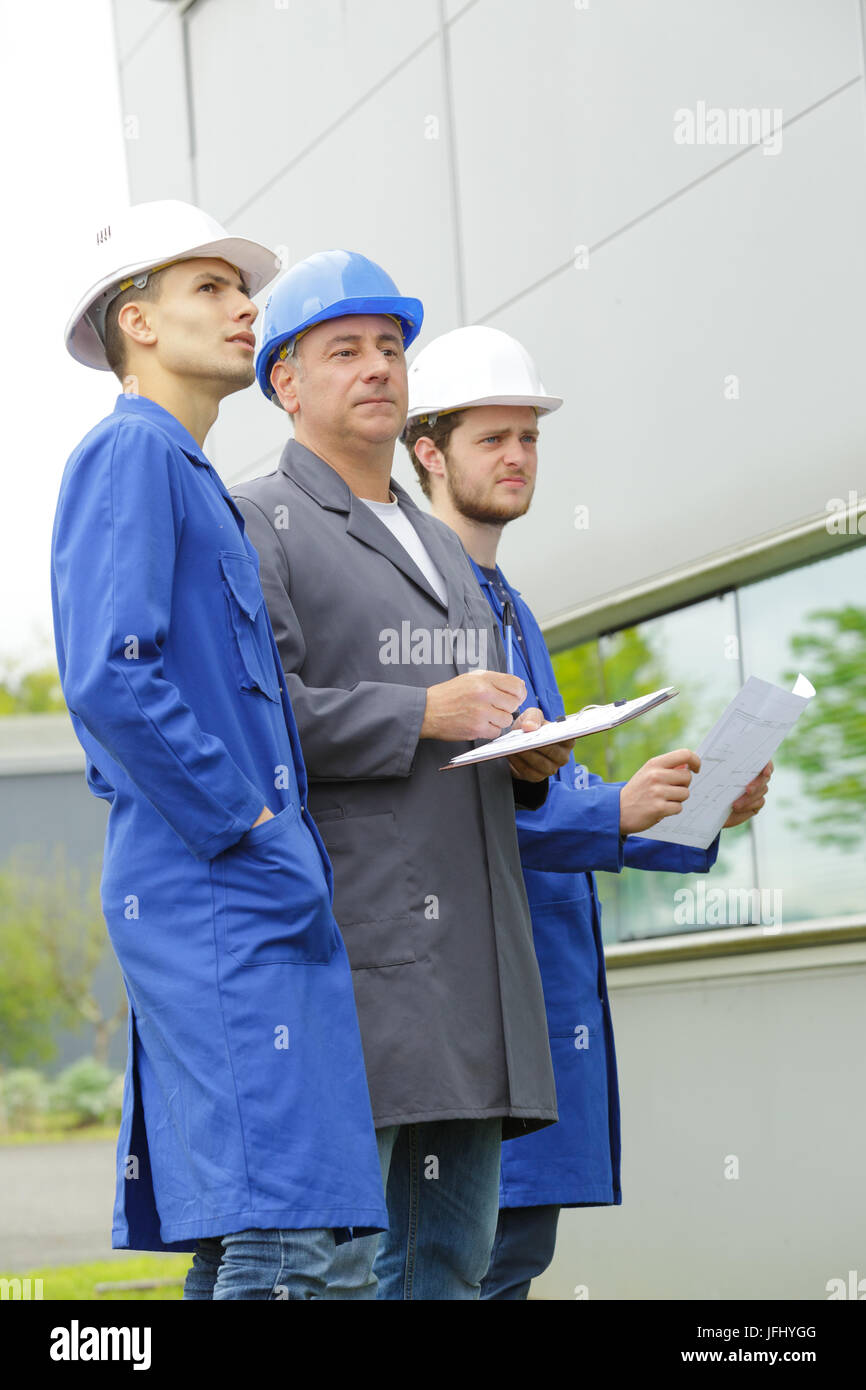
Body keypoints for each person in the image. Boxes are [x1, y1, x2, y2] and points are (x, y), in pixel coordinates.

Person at [51, 201, 388, 1301]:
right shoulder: (131, 453)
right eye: (212, 289)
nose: (248, 308)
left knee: (251, 1222)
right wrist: (246, 824)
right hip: (212, 883)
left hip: (230, 885)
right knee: (293, 1235)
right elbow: (111, 674)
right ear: (135, 321)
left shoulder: (183, 473)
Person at [231, 250, 575, 1300]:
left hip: (470, 977)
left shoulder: (440, 545)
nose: (378, 367)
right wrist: (421, 711)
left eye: (390, 347)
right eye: (345, 350)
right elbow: (258, 722)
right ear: (284, 380)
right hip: (359, 961)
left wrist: (527, 757)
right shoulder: (255, 523)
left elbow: (472, 731)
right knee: (329, 1265)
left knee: (446, 1266)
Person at [404, 324, 774, 1299]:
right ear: (427, 451)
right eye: (492, 438)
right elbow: (452, 805)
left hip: (540, 986)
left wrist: (684, 811)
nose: (518, 457)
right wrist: (616, 808)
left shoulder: (509, 604)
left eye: (528, 437)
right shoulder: (414, 606)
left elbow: (540, 786)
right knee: (458, 1266)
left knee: (512, 1259)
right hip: (470, 1004)